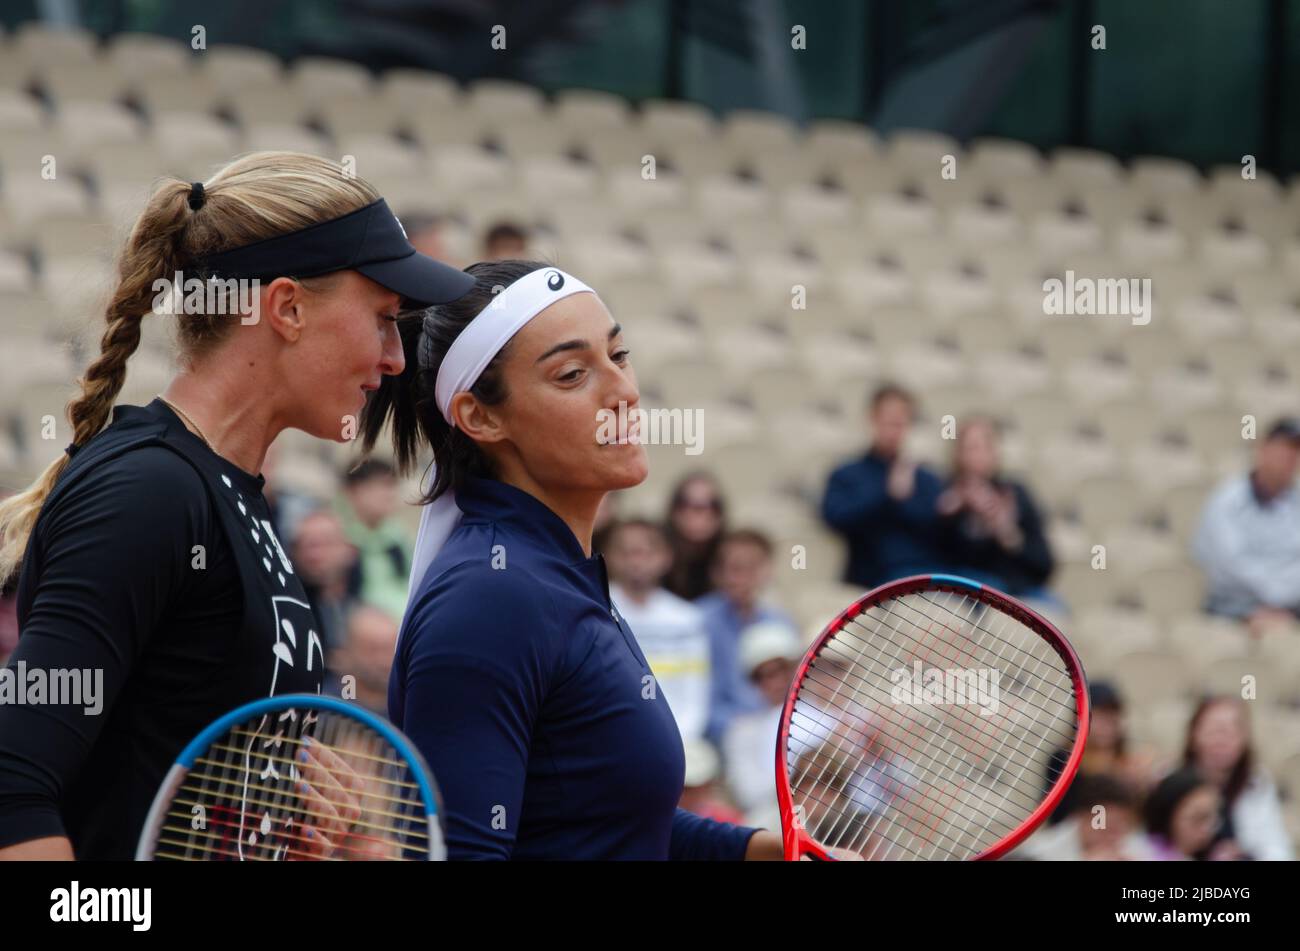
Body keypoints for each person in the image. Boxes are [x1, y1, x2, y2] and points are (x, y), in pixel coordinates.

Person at [0, 151, 475, 860]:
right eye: (382, 318)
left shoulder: (230, 495)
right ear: (287, 307)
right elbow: (12, 786)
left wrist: (289, 831)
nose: (395, 357)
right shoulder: (148, 492)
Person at [363, 260, 853, 859]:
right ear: (479, 416)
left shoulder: (545, 573)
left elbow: (613, 819)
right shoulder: (493, 597)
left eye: (619, 356)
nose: (624, 391)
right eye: (572, 374)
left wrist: (769, 852)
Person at [821, 383, 946, 588]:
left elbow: (938, 529)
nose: (894, 431)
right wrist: (887, 496)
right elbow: (836, 517)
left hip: (928, 574)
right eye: (889, 422)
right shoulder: (847, 474)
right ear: (872, 420)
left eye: (900, 423)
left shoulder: (925, 478)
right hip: (875, 579)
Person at [606, 519, 711, 742]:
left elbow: (695, 690)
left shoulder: (687, 619)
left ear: (666, 558)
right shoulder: (596, 610)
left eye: (645, 552)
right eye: (626, 552)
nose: (636, 561)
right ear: (608, 557)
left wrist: (680, 738)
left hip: (679, 738)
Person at [1193, 418, 1300, 632]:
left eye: (1295, 451)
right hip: (1233, 605)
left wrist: (1283, 599)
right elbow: (1229, 566)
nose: (1289, 458)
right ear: (1263, 449)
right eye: (1284, 448)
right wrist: (1274, 595)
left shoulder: (1294, 503)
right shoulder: (1226, 502)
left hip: (1291, 603)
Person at [935, 415, 1055, 599]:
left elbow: (1044, 565)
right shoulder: (943, 496)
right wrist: (953, 515)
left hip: (1019, 590)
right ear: (958, 454)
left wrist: (1007, 533)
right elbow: (933, 559)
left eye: (987, 446)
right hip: (965, 593)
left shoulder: (1016, 494)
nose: (979, 455)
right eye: (972, 448)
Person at [696, 529, 796, 746]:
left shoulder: (781, 623)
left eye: (751, 568)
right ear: (717, 573)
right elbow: (697, 698)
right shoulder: (698, 621)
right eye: (734, 569)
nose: (742, 578)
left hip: (775, 728)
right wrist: (738, 727)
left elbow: (792, 690)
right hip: (719, 733)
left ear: (767, 571)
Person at [1181, 696, 1293, 860]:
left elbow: (1278, 849)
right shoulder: (1175, 784)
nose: (1221, 740)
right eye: (1214, 730)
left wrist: (1246, 853)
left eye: (1231, 731)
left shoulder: (1257, 784)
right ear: (1194, 733)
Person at [1046, 680, 1165, 825]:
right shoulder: (1063, 759)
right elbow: (1061, 816)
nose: (1108, 724)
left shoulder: (1129, 762)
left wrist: (1143, 788)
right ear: (1079, 718)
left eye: (1113, 716)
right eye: (1100, 716)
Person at [723, 619, 802, 830]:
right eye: (764, 676)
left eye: (781, 670)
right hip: (774, 827)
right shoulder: (742, 731)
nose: (775, 682)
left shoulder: (832, 717)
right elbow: (749, 794)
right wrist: (803, 776)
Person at [337, 458, 413, 621]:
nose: (389, 494)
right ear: (354, 491)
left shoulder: (397, 536)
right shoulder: (338, 537)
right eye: (380, 486)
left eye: (392, 486)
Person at [293, 508, 362, 656]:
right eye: (307, 545)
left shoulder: (365, 603)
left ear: (350, 550)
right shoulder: (291, 611)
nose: (314, 555)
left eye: (326, 543)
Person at [662, 471, 727, 601]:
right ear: (673, 510)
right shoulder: (654, 553)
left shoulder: (730, 557)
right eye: (685, 503)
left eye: (711, 505)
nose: (698, 512)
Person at [328, 604, 400, 718]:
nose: (384, 661)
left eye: (390, 649)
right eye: (373, 650)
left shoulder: (411, 709)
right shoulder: (324, 708)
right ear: (345, 653)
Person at [1143, 767, 1224, 860]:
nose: (1208, 828)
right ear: (1168, 816)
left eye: (1214, 817)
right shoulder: (1141, 853)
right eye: (1198, 818)